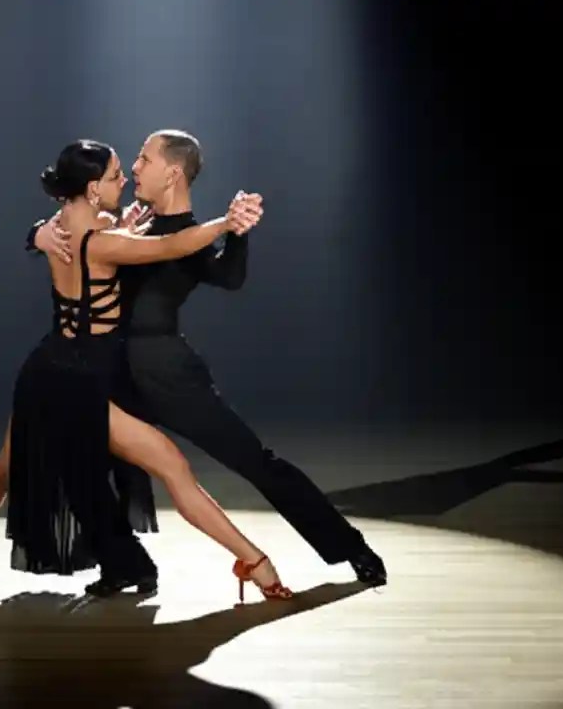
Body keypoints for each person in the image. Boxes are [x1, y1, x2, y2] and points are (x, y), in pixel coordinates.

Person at [28, 130, 388, 587]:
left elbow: (228, 276)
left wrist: (236, 233)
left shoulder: (187, 235)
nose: (135, 168)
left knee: (256, 462)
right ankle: (124, 564)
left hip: (167, 376)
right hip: (114, 370)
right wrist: (37, 234)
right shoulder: (129, 221)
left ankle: (351, 547)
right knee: (79, 458)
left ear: (172, 172)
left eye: (143, 158)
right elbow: (72, 226)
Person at [0, 140, 292, 604]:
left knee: (3, 471)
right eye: (115, 175)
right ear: (91, 187)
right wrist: (226, 224)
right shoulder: (102, 243)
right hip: (75, 383)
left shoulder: (63, 228)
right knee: (173, 466)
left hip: (48, 372)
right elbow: (171, 244)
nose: (124, 180)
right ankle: (255, 562)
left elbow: (49, 230)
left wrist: (39, 234)